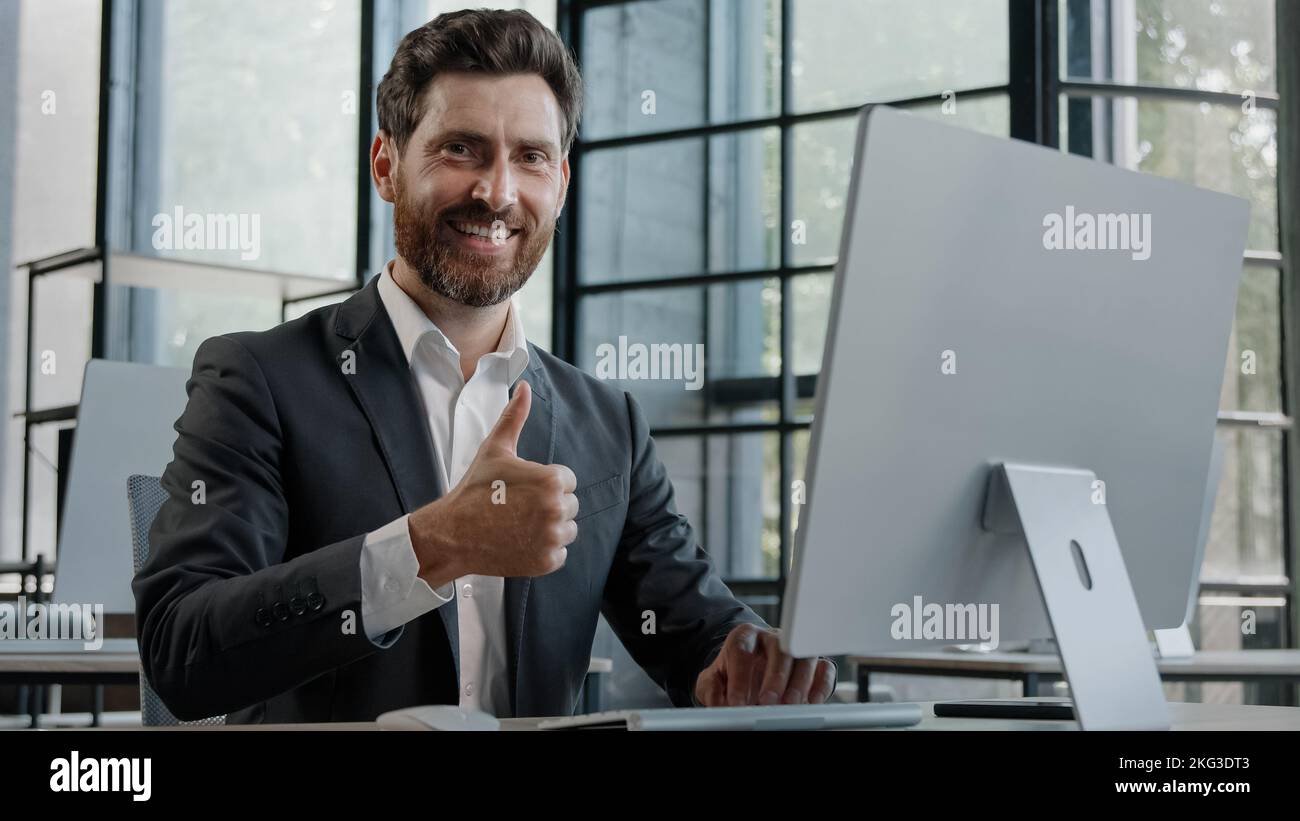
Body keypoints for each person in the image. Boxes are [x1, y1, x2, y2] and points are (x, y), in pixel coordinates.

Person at [133, 8, 835, 723]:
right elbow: (181, 649)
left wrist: (744, 665)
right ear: (386, 165)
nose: (497, 192)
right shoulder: (260, 379)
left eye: (530, 156)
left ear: (559, 182)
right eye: (462, 149)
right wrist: (433, 546)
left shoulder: (608, 425)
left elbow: (699, 632)